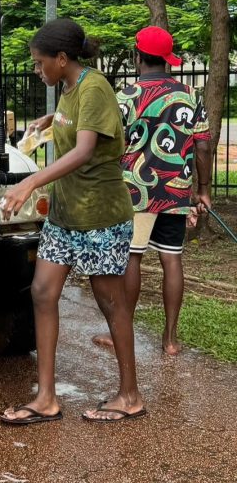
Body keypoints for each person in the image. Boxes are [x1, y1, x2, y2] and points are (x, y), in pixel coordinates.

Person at [0, 18, 145, 424]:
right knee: (43, 292)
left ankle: (129, 395)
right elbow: (73, 123)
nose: (37, 69)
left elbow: (83, 152)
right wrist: (50, 122)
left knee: (111, 303)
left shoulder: (94, 87)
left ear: (63, 59)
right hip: (66, 213)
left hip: (100, 215)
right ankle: (46, 398)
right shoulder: (68, 88)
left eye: (40, 62)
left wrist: (29, 183)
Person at [92, 26, 212, 355]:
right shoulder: (189, 95)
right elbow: (203, 146)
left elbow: (110, 146)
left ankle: (122, 332)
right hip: (176, 192)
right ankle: (170, 340)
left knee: (132, 257)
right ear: (167, 60)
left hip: (136, 192)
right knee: (172, 260)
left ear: (137, 56)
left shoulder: (126, 96)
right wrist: (203, 189)